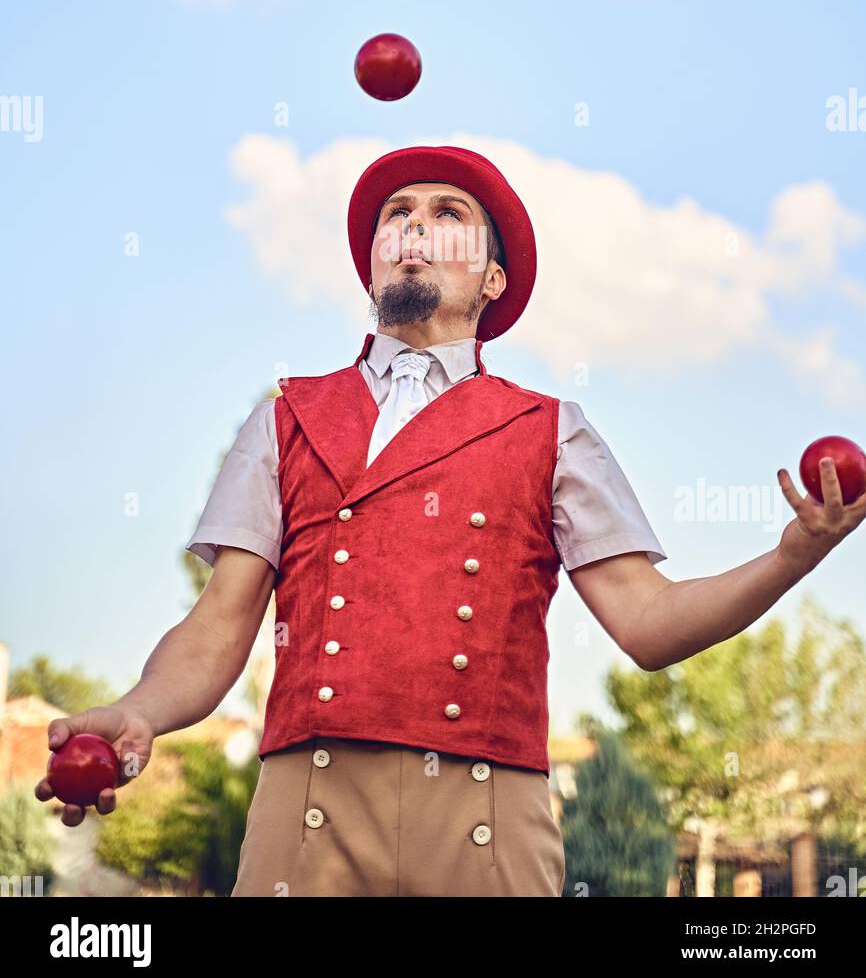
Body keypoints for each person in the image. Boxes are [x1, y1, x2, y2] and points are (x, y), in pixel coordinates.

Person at [35, 145, 866, 898]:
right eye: (397, 214)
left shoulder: (553, 429)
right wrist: (143, 710)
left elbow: (650, 625)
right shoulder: (285, 418)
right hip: (307, 805)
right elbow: (220, 622)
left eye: (447, 215)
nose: (412, 227)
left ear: (493, 281)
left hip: (488, 816)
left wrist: (792, 556)